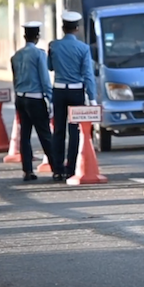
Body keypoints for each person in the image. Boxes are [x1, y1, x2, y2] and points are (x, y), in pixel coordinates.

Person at [48, 11, 96, 181]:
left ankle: (57, 169)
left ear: (63, 28)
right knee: (75, 130)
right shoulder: (83, 48)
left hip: (59, 91)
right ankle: (71, 168)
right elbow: (88, 75)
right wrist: (92, 97)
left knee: (58, 130)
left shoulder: (53, 46)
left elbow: (50, 67)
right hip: (76, 92)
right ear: (77, 28)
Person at [9, 22, 59, 181]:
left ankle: (27, 171)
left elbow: (15, 79)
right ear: (37, 37)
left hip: (20, 98)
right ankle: (56, 169)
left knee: (25, 135)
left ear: (24, 37)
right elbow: (45, 80)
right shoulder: (39, 54)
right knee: (45, 134)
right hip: (35, 99)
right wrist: (50, 99)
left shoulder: (16, 56)